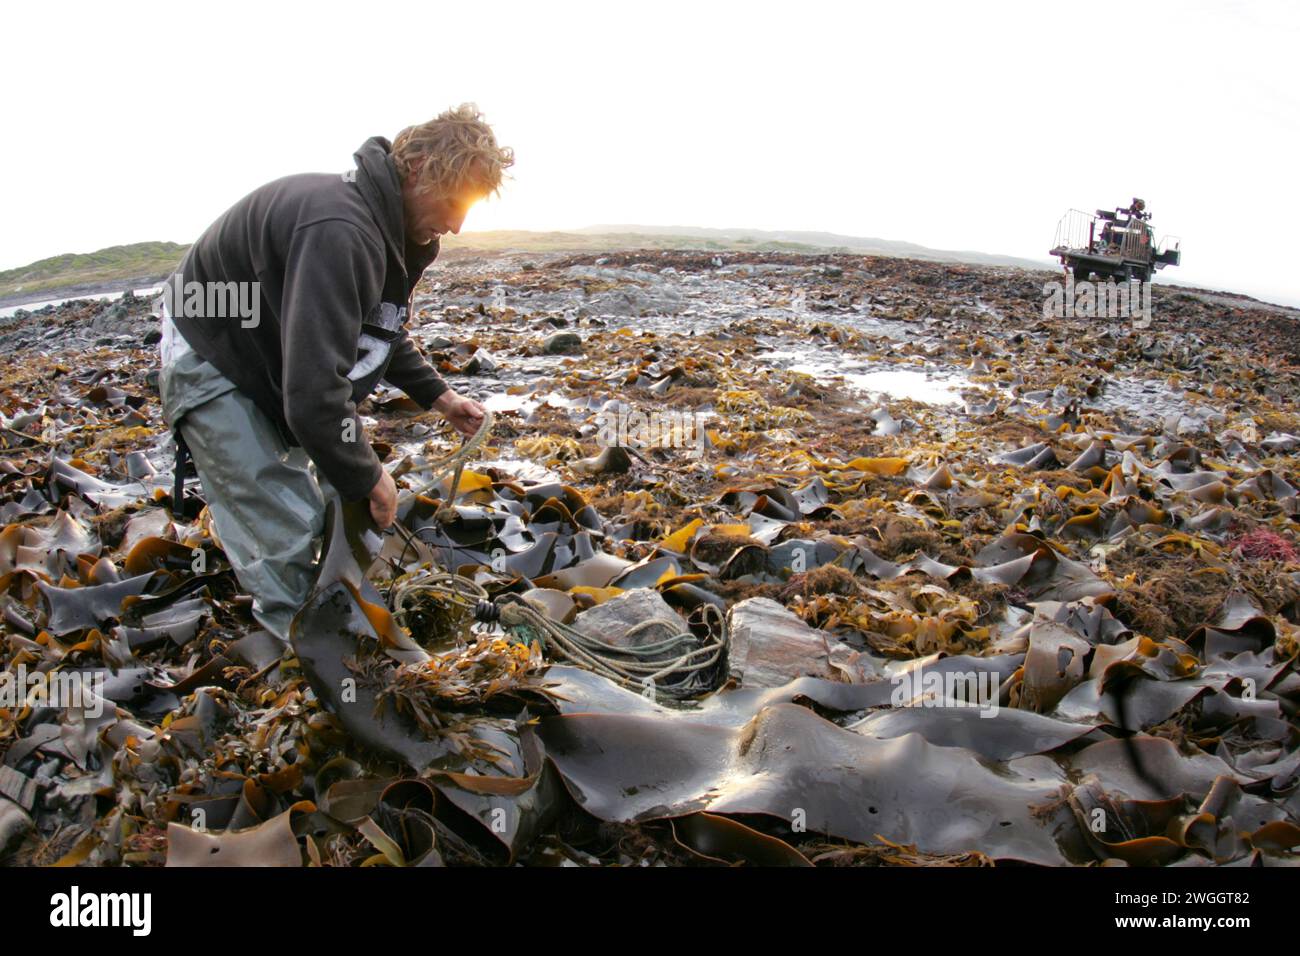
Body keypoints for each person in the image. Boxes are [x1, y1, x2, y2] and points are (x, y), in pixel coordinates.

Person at [157, 104, 511, 642]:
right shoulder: (341, 229)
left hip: (271, 352)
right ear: (416, 169)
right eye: (454, 203)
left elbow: (376, 329)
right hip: (215, 351)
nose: (458, 225)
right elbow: (314, 397)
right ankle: (301, 665)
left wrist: (438, 397)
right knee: (283, 524)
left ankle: (325, 618)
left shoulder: (398, 232)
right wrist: (369, 475)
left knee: (328, 502)